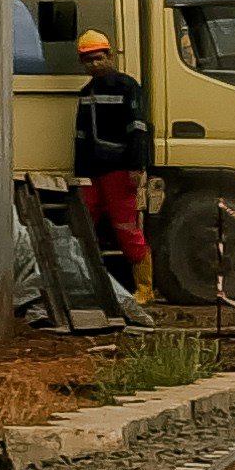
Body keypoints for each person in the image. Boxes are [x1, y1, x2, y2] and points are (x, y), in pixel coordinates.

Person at [73, 27, 153, 302]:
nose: (94, 64)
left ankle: (145, 289)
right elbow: (80, 138)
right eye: (88, 60)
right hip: (93, 172)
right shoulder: (86, 93)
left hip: (120, 169)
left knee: (126, 227)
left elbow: (138, 129)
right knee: (83, 224)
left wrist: (136, 166)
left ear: (109, 56)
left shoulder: (128, 86)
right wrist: (80, 176)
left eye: (98, 58)